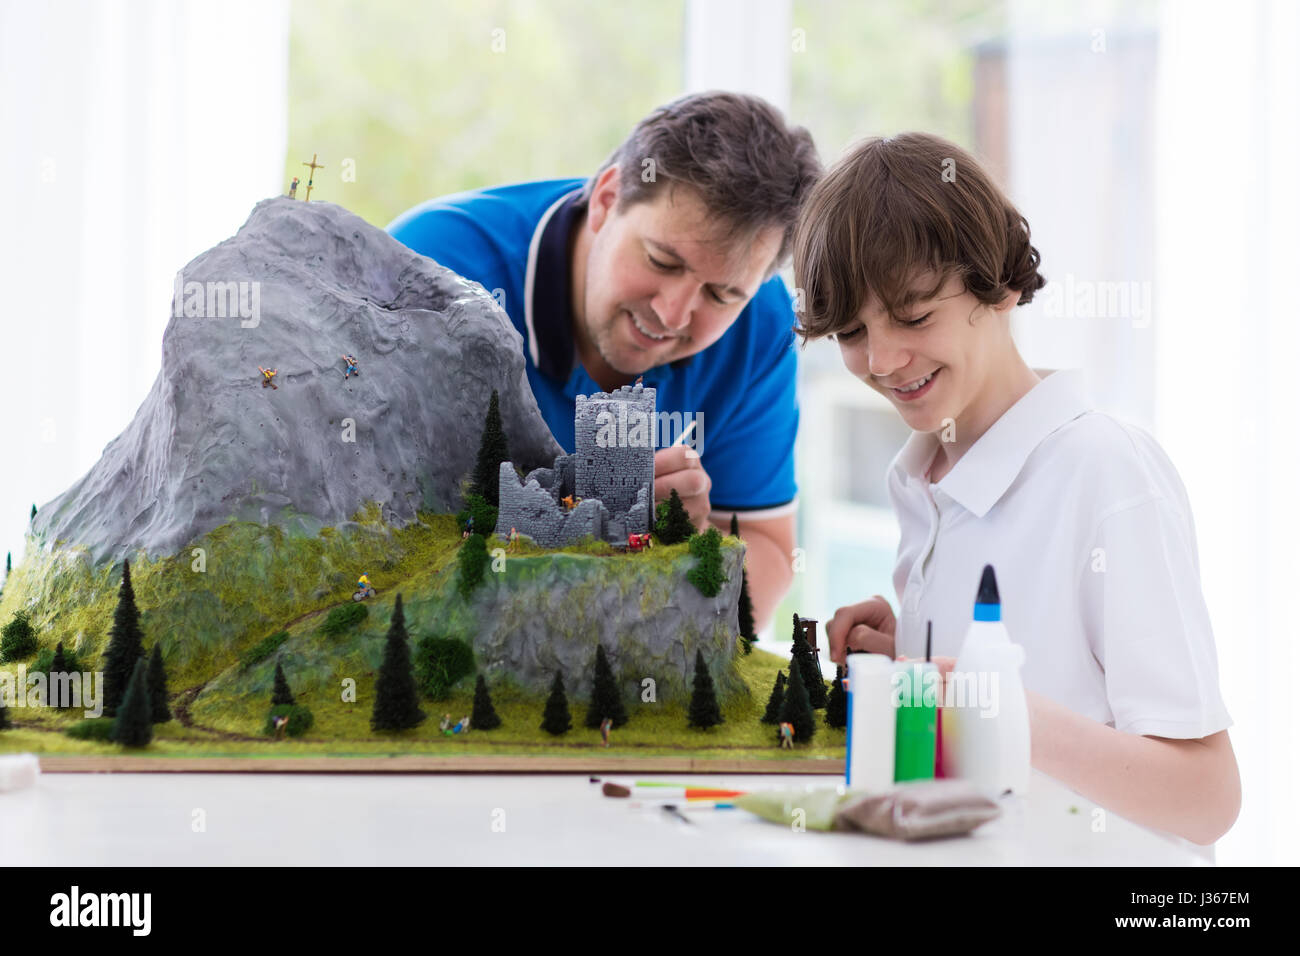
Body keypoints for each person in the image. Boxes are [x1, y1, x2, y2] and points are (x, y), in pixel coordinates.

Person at [798, 132, 1239, 849]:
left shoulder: (1106, 471)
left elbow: (1207, 797)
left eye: (913, 316)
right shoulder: (921, 479)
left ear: (1000, 286)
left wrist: (988, 702)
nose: (881, 360)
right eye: (851, 332)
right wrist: (910, 659)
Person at [388, 92, 822, 632]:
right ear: (607, 197)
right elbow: (350, 518)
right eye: (662, 260)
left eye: (722, 294)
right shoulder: (431, 266)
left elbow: (768, 550)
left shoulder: (762, 326)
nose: (672, 313)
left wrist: (682, 545)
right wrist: (570, 521)